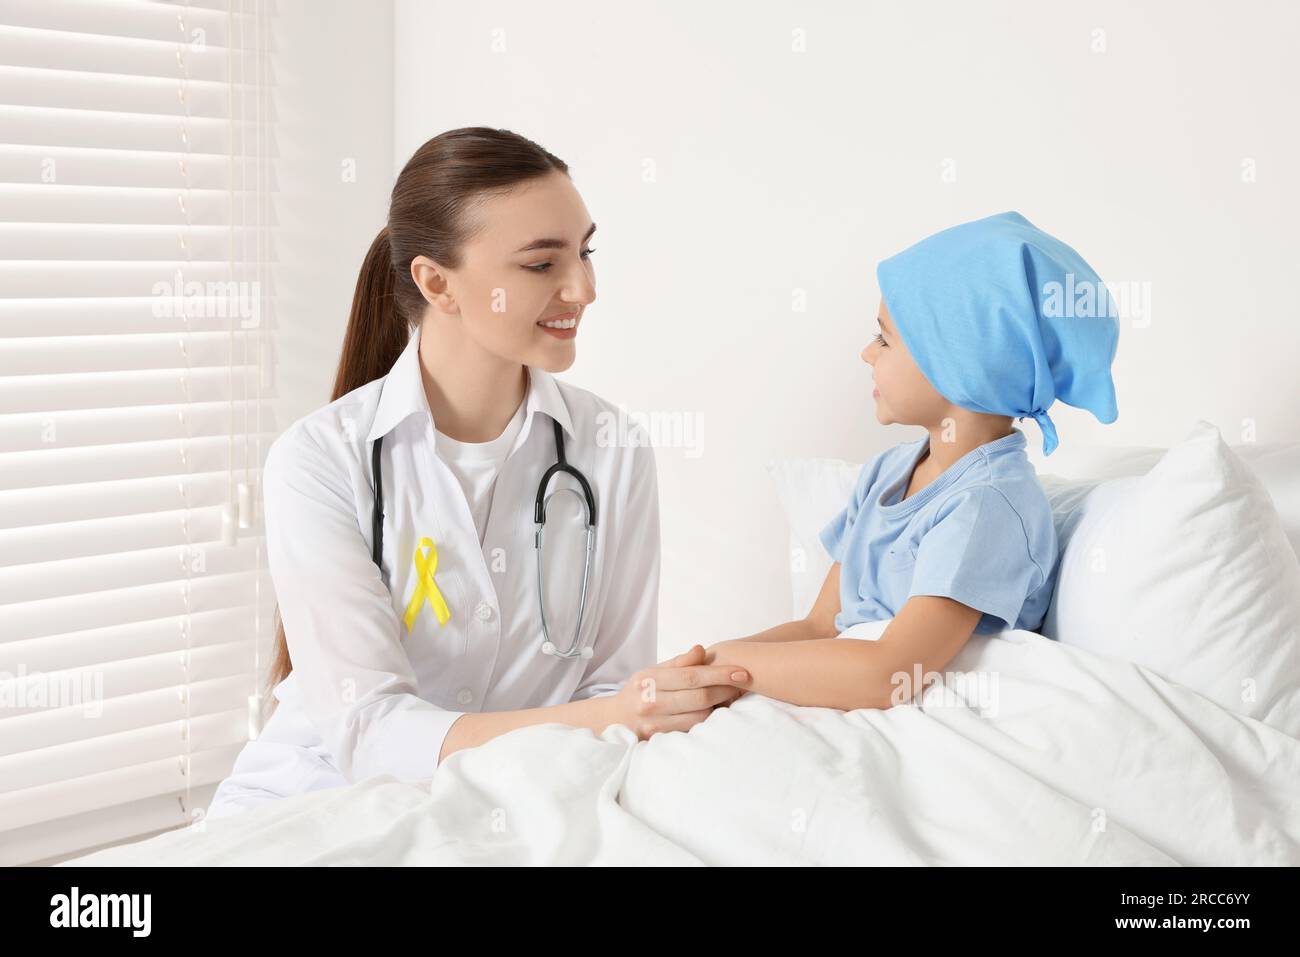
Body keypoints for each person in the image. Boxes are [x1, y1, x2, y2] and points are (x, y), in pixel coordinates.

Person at [207, 128, 749, 819]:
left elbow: (609, 696)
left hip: (513, 808)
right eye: (540, 264)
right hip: (314, 806)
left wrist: (631, 710)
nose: (583, 287)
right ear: (437, 282)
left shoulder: (612, 450)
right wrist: (620, 710)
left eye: (584, 251)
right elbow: (372, 734)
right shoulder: (317, 461)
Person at [705, 211, 1120, 711]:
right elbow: (820, 626)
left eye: (884, 338)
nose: (866, 352)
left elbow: (891, 672)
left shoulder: (987, 505)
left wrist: (732, 666)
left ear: (959, 365)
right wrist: (705, 667)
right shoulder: (887, 473)